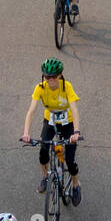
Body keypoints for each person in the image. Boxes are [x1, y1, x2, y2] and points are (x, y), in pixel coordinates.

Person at [22, 58, 82, 205]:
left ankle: (75, 186)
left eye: (53, 76)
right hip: (50, 121)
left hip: (67, 123)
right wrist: (26, 133)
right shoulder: (40, 88)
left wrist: (76, 132)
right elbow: (31, 111)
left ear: (60, 75)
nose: (50, 80)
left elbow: (74, 109)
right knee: (43, 150)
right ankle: (45, 177)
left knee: (69, 160)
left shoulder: (66, 87)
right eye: (47, 77)